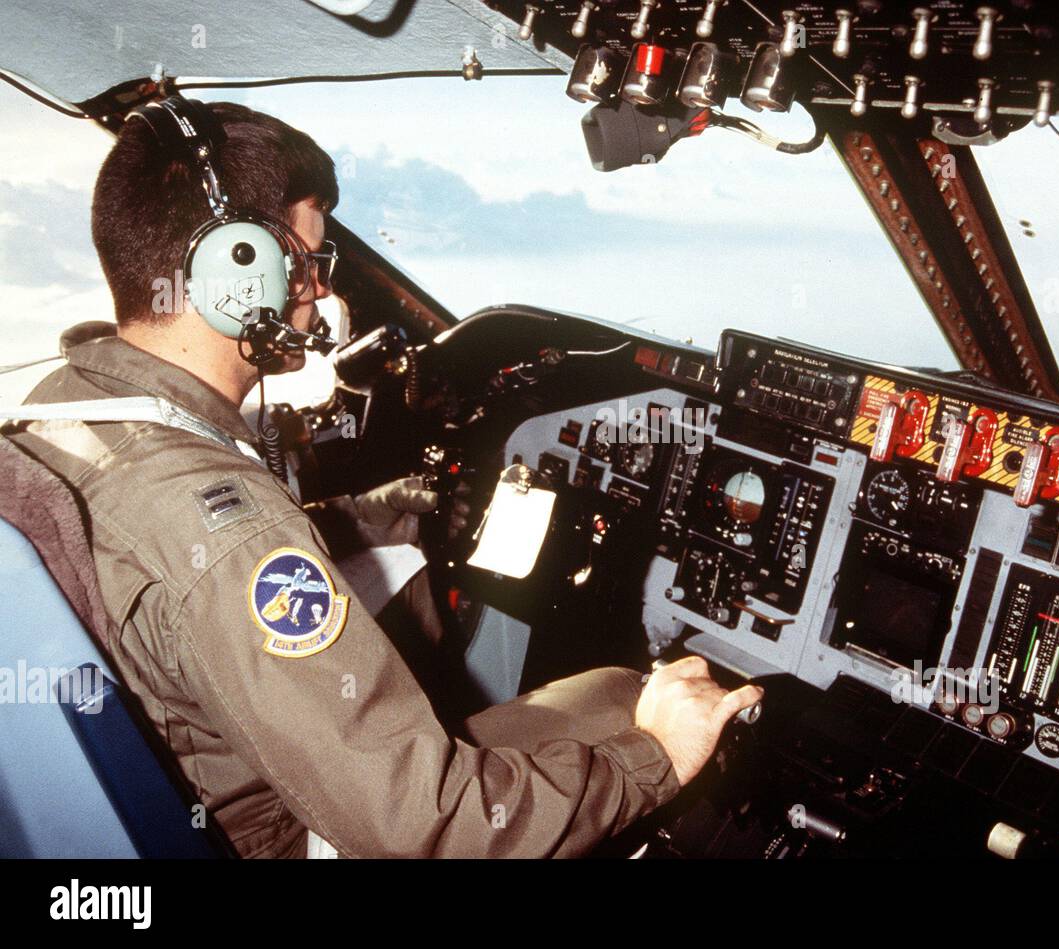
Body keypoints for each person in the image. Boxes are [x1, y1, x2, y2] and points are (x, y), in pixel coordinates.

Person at [4, 100, 760, 857]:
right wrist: (656, 758)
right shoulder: (227, 527)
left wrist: (369, 516)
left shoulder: (62, 410)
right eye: (307, 260)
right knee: (626, 699)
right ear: (240, 266)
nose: (320, 293)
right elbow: (428, 827)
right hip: (286, 840)